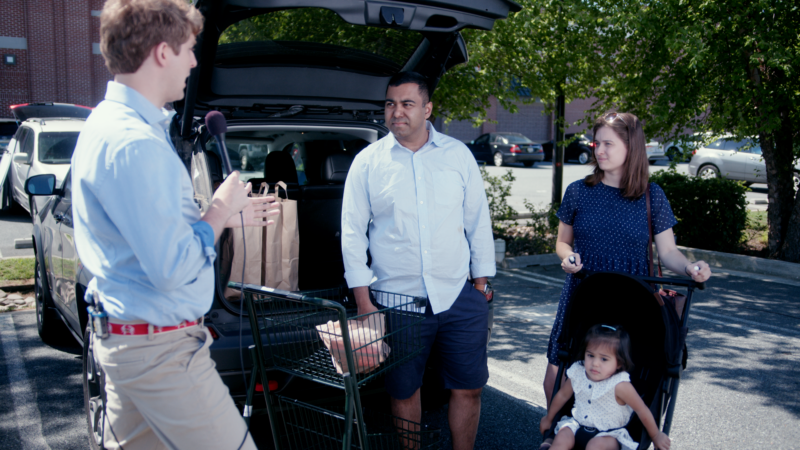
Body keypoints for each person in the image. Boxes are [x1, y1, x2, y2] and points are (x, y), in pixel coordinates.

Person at [71, 0, 279, 448]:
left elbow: (150, 238)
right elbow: (172, 267)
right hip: (161, 352)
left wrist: (223, 216)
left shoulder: (107, 125)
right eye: (188, 49)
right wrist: (218, 210)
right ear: (163, 52)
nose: (194, 62)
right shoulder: (135, 143)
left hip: (131, 341)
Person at [341, 71, 496, 450]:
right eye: (390, 103)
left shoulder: (457, 155)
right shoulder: (367, 162)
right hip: (397, 300)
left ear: (427, 109)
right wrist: (364, 303)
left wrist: (480, 286)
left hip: (458, 296)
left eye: (407, 104)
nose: (397, 112)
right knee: (404, 390)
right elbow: (352, 233)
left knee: (469, 387)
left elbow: (477, 221)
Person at [541, 112, 712, 447]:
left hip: (633, 302)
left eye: (608, 143)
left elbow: (668, 252)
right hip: (585, 294)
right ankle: (559, 433)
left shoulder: (651, 195)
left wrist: (691, 268)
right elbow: (562, 242)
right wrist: (568, 257)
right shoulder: (578, 191)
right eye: (597, 143)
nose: (599, 150)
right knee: (556, 376)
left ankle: (613, 438)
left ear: (631, 147)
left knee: (622, 383)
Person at [539, 325, 671, 450]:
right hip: (577, 424)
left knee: (596, 446)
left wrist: (655, 435)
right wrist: (549, 418)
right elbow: (562, 395)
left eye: (604, 359)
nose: (595, 363)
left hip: (609, 435)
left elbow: (641, 410)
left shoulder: (620, 385)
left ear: (619, 363)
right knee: (562, 437)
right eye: (590, 355)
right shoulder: (578, 373)